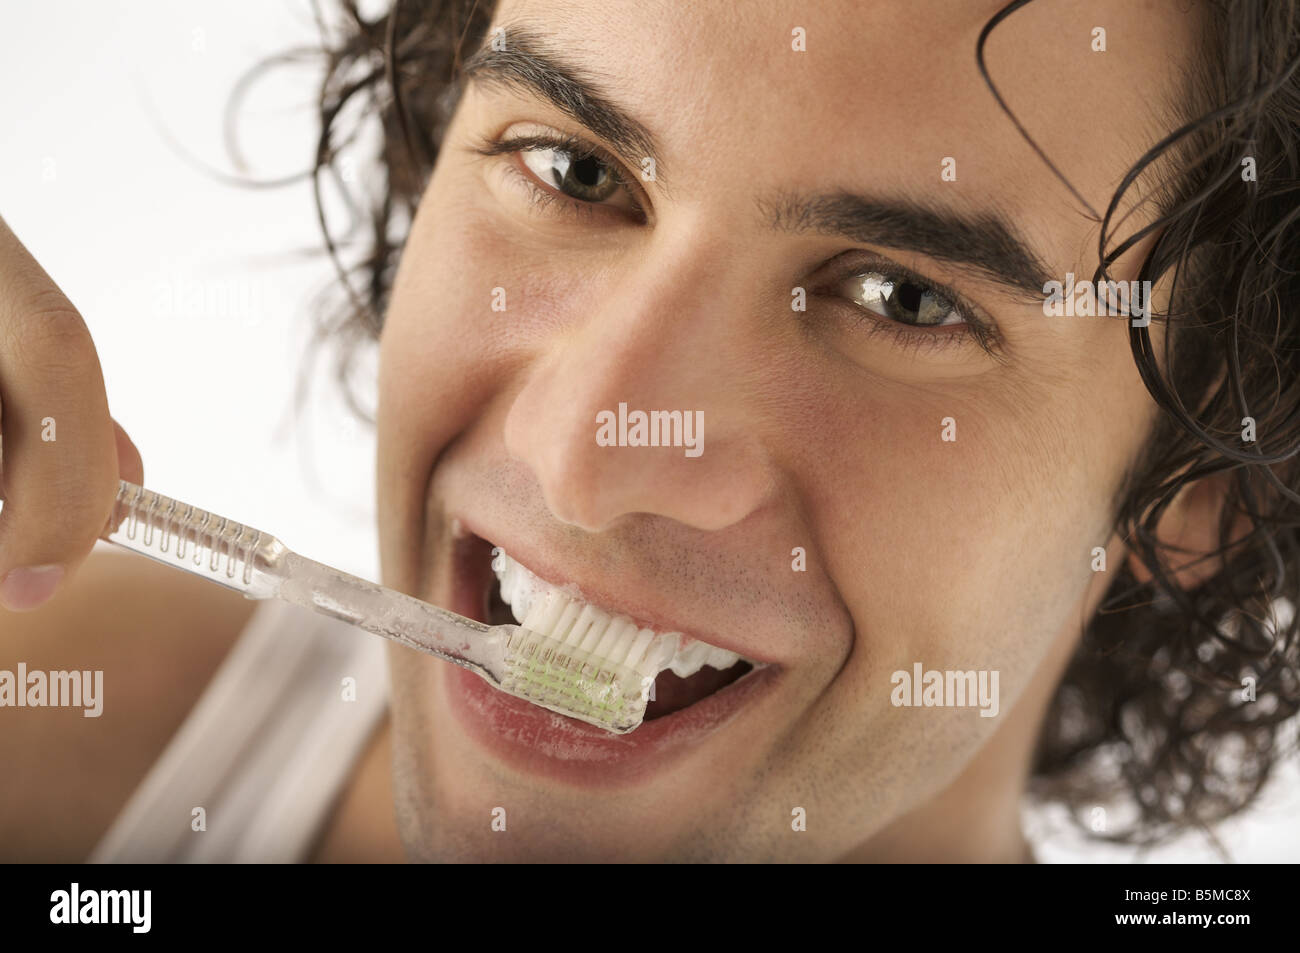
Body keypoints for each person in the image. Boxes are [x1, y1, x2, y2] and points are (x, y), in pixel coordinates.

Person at [1, 0, 1297, 862]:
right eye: (574, 171)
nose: (580, 461)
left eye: (905, 298)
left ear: (1207, 491)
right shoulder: (85, 741)